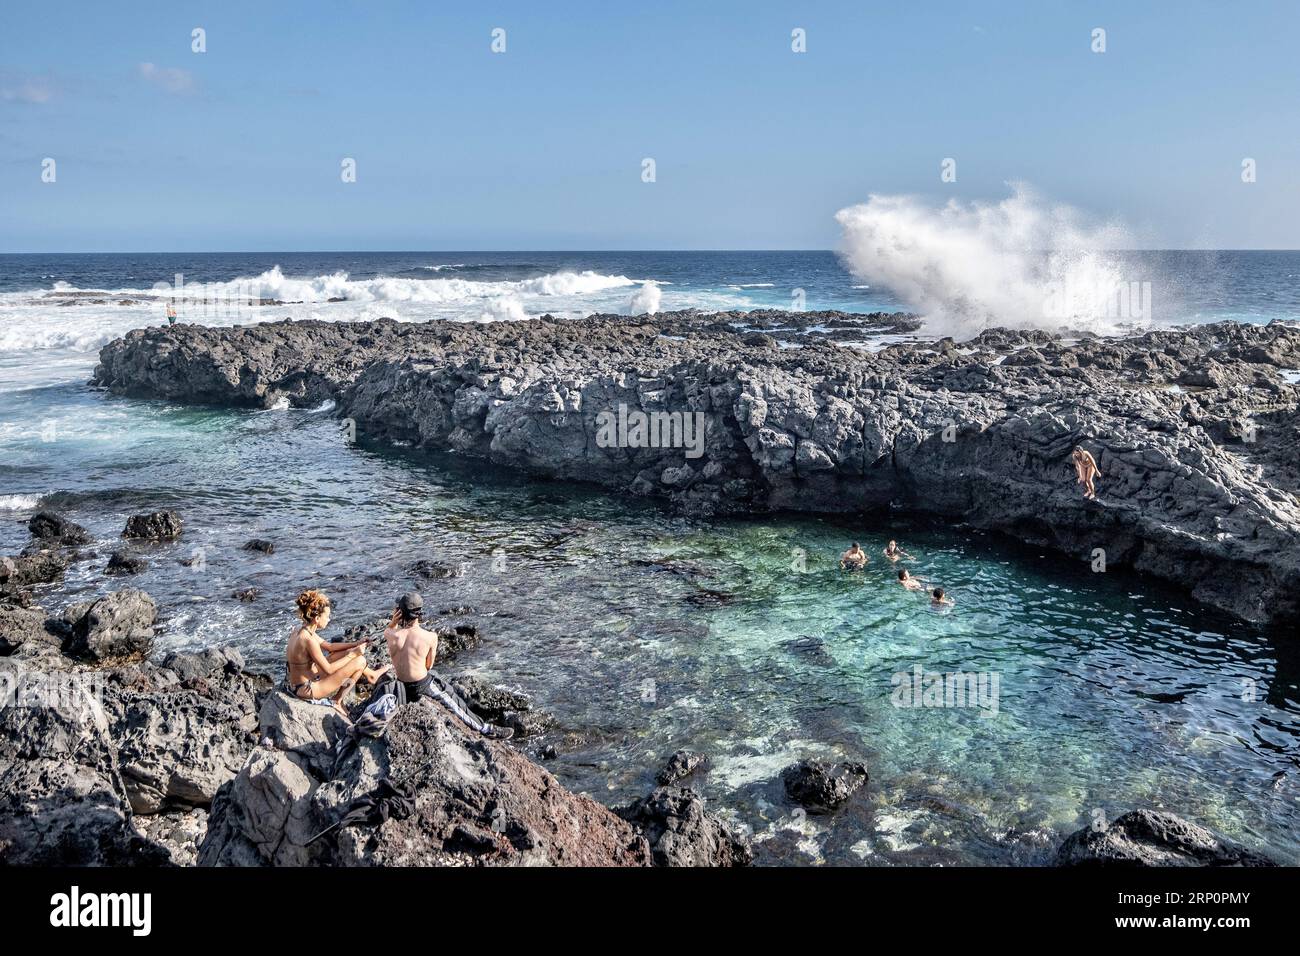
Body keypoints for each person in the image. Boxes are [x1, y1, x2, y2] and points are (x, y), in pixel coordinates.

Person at [383, 591, 513, 739]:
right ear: (419, 613)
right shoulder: (430, 637)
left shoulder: (390, 634)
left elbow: (390, 628)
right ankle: (485, 728)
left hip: (400, 687)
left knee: (442, 684)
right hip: (421, 686)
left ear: (399, 613)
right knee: (453, 701)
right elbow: (428, 666)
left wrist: (393, 622)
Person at [286, 588, 388, 720]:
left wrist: (356, 644)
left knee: (346, 653)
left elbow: (329, 647)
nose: (329, 619)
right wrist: (353, 655)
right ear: (317, 618)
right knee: (360, 661)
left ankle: (371, 675)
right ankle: (337, 700)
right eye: (327, 616)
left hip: (299, 682)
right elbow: (328, 670)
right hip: (306, 689)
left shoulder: (301, 631)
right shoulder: (308, 640)